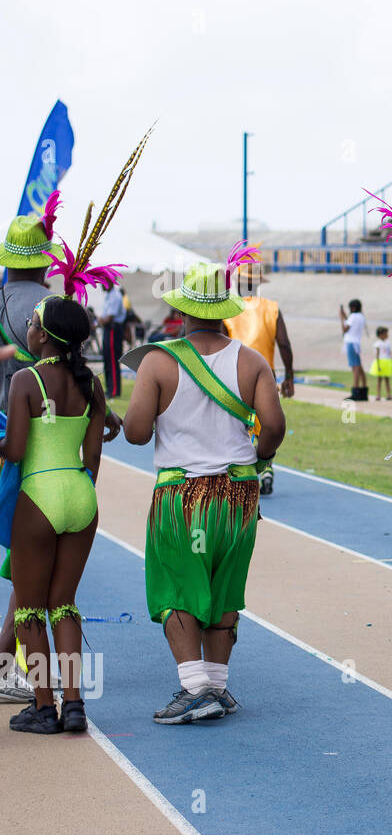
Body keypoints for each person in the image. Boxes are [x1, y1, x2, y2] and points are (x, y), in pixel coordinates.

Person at [122, 249, 285, 724]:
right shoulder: (252, 362)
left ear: (185, 310)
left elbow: (135, 432)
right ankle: (216, 686)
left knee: (177, 589)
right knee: (224, 589)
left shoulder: (158, 362)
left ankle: (195, 689)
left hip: (183, 498)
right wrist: (260, 457)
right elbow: (273, 425)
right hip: (238, 496)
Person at [1, 297, 107, 733]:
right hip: (81, 494)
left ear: (42, 335)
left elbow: (17, 451)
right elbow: (94, 456)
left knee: (28, 610)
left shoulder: (26, 380)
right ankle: (75, 705)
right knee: (63, 603)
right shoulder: (93, 384)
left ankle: (44, 708)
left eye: (31, 322)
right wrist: (78, 491)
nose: (27, 326)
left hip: (39, 494)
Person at [0, 210, 66, 703]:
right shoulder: (54, 307)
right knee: (33, 558)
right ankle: (5, 661)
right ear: (44, 262)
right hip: (40, 446)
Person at [223, 267, 294, 495]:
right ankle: (267, 468)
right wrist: (289, 376)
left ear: (238, 283)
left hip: (235, 374)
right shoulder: (272, 308)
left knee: (238, 426)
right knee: (265, 425)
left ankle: (239, 473)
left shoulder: (228, 309)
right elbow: (283, 343)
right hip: (265, 375)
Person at [98, 280, 127, 398]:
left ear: (109, 282)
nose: (100, 285)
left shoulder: (115, 296)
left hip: (113, 330)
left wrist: (101, 320)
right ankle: (109, 388)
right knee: (107, 359)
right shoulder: (109, 296)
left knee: (112, 360)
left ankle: (114, 390)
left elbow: (108, 318)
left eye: (102, 282)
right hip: (108, 329)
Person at [339, 298, 367, 401]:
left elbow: (345, 329)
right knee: (359, 367)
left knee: (355, 368)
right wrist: (345, 316)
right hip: (356, 343)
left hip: (350, 343)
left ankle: (355, 391)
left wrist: (341, 319)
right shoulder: (361, 316)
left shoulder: (353, 316)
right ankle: (364, 390)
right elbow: (351, 322)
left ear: (353, 307)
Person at [370, 326, 392, 400]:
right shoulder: (377, 344)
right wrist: (378, 365)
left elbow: (390, 353)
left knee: (387, 379)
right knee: (379, 380)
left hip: (387, 362)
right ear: (380, 335)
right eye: (385, 333)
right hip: (380, 362)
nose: (387, 335)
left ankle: (388, 395)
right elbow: (377, 355)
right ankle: (378, 395)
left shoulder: (388, 343)